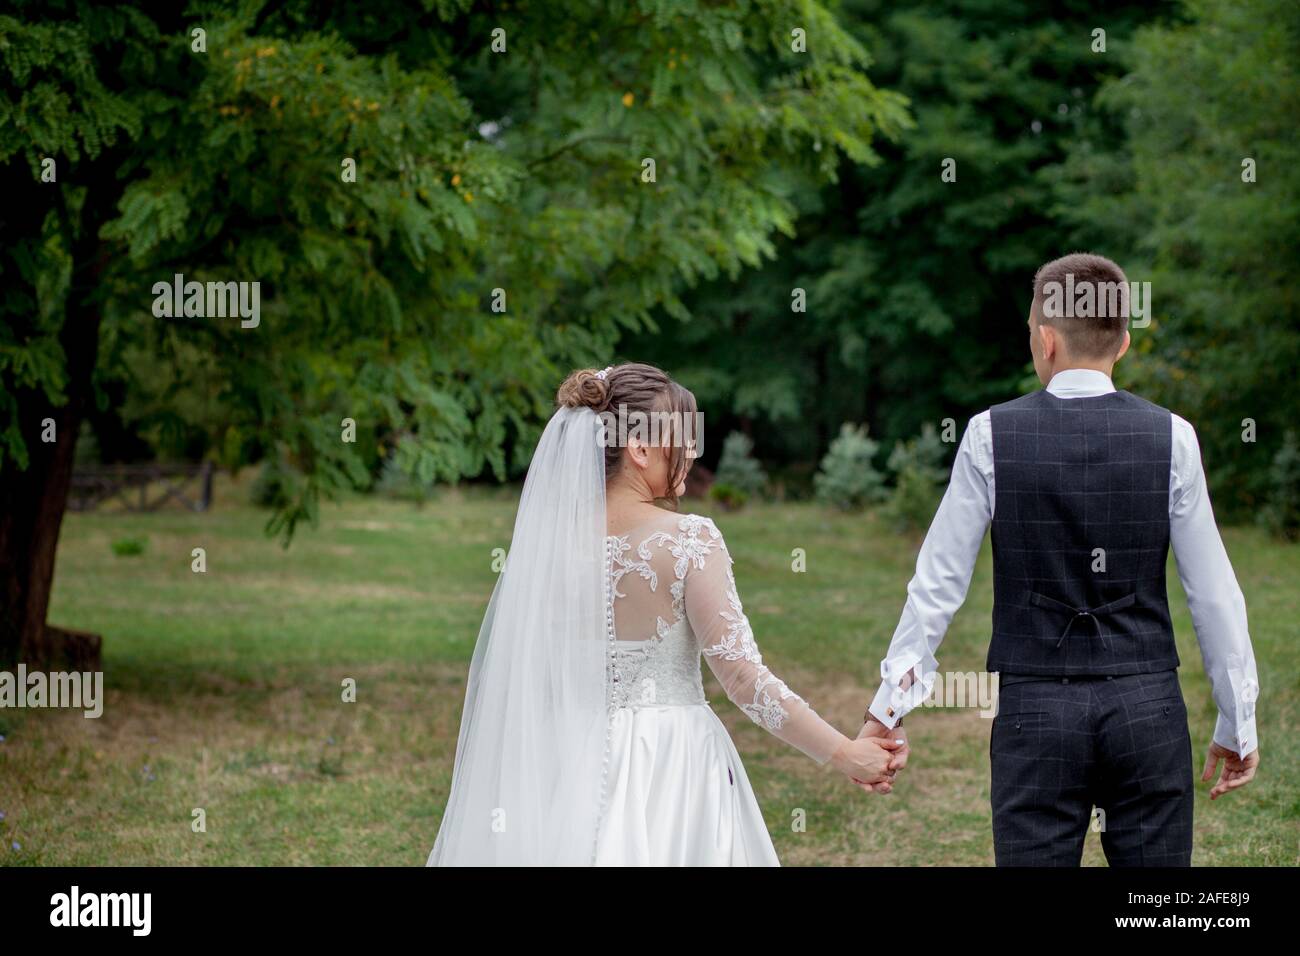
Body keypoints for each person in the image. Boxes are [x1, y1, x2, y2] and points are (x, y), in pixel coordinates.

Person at [858, 252, 1261, 866]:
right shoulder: (1173, 435)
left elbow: (938, 581)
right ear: (1122, 343)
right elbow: (1215, 595)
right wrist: (1237, 721)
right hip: (1147, 706)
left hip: (1036, 712)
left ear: (1046, 340)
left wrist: (889, 706)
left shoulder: (990, 434)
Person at [429, 362, 900, 865]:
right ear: (640, 448)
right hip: (669, 766)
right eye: (683, 437)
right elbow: (742, 679)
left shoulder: (547, 547)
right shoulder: (689, 540)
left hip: (560, 762)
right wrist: (844, 753)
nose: (693, 452)